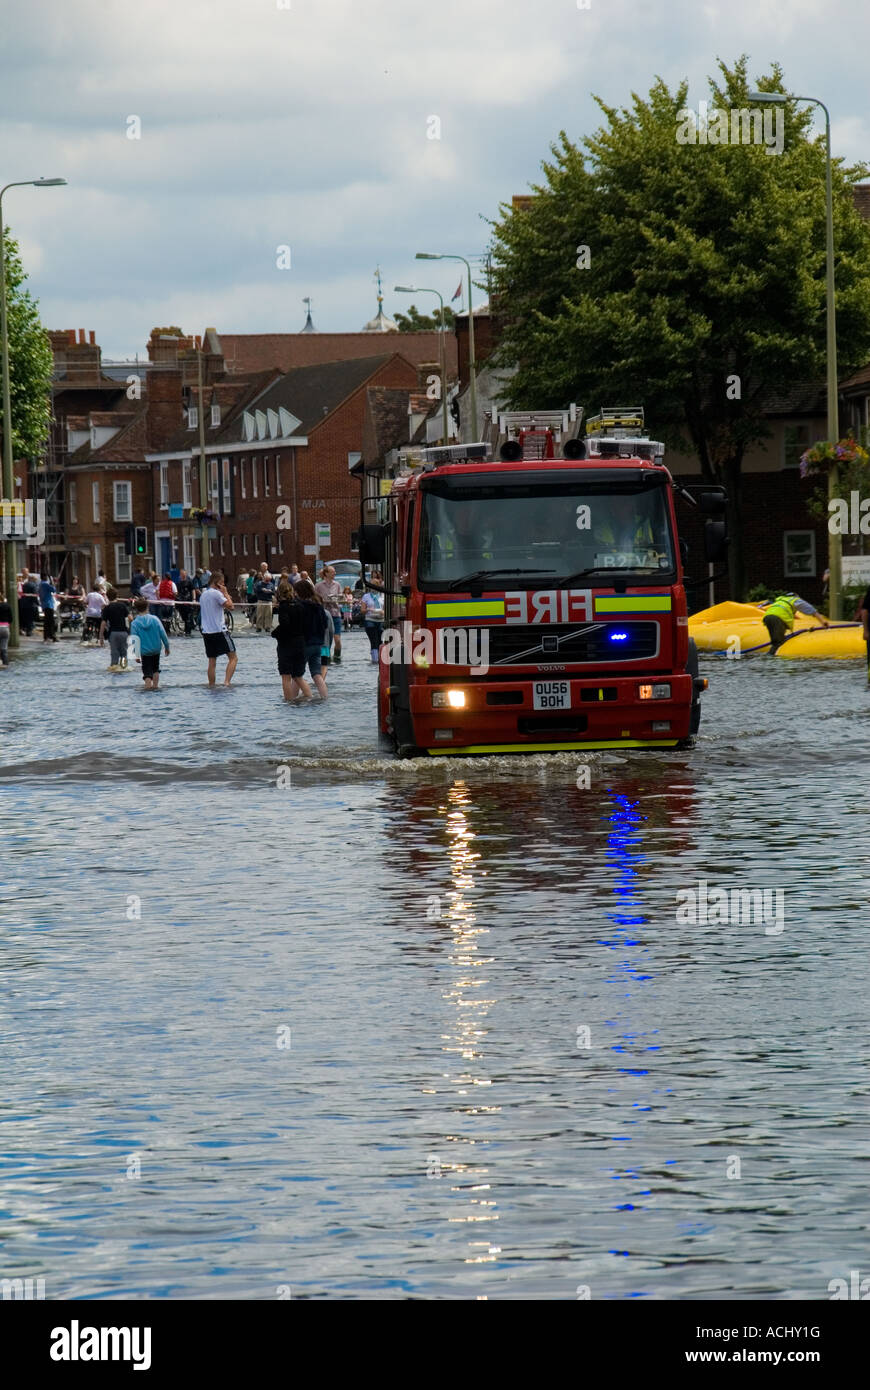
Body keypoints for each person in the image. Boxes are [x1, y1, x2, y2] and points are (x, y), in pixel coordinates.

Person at [272, 580, 311, 701]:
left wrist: (274, 633)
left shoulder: (284, 606)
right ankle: (311, 698)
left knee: (286, 676)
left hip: (287, 644)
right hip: (300, 643)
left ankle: (288, 702)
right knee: (298, 676)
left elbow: (285, 625)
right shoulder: (300, 605)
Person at [199, 569, 238, 686]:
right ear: (217, 582)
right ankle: (227, 682)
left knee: (212, 661)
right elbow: (231, 607)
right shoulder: (217, 594)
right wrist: (225, 593)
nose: (223, 585)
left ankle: (211, 684)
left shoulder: (203, 595)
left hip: (206, 632)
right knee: (233, 657)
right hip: (219, 630)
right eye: (222, 583)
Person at [295, 579, 329, 698]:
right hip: (318, 644)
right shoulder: (319, 607)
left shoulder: (300, 606)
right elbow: (325, 625)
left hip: (305, 644)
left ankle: (294, 700)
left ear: (300, 592)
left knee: (297, 674)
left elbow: (298, 626)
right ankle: (324, 697)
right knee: (317, 674)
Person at [762, 593, 828, 653]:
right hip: (777, 618)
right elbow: (811, 610)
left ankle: (771, 656)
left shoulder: (781, 600)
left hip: (768, 617)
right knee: (778, 642)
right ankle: (771, 659)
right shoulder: (795, 600)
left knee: (777, 640)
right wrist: (823, 621)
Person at [130, 596, 170, 689]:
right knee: (156, 669)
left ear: (137, 609)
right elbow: (163, 634)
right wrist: (167, 647)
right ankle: (155, 687)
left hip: (144, 652)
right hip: (156, 649)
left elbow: (134, 640)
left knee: (147, 673)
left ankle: (148, 689)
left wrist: (136, 655)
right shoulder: (155, 619)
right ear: (147, 607)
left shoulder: (135, 623)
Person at [315, 564, 344, 664]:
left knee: (337, 640)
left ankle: (337, 658)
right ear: (326, 573)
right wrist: (323, 600)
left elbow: (341, 598)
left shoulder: (337, 584)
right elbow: (315, 599)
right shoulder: (318, 586)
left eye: (334, 572)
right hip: (324, 614)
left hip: (336, 613)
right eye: (332, 572)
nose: (334, 573)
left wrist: (338, 598)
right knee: (326, 639)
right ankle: (327, 659)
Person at [99, 586, 131, 669]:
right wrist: (131, 631)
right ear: (117, 596)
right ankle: (124, 668)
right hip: (124, 633)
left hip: (113, 633)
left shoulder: (107, 608)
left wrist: (101, 637)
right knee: (124, 653)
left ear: (107, 597)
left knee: (114, 654)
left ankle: (114, 669)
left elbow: (103, 623)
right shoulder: (122, 606)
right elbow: (131, 618)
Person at [360, 580, 384, 664]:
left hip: (381, 619)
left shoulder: (382, 595)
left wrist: (383, 611)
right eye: (371, 585)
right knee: (373, 640)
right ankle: (375, 659)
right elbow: (362, 610)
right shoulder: (366, 596)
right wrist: (369, 609)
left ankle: (380, 658)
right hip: (370, 619)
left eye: (375, 585)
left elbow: (387, 608)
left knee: (380, 640)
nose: (373, 587)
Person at [253, 567, 276, 633]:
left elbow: (273, 592)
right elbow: (256, 590)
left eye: (269, 580)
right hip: (261, 600)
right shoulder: (259, 584)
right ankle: (259, 627)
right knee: (260, 615)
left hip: (269, 601)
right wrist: (262, 590)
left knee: (268, 615)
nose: (268, 581)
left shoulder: (271, 584)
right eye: (267, 580)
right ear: (264, 578)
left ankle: (267, 627)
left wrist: (269, 591)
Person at [38, 572, 59, 642]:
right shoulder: (45, 584)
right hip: (48, 604)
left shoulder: (40, 584)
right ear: (44, 577)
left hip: (44, 604)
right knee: (51, 621)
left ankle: (47, 636)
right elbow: (53, 590)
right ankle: (52, 636)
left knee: (47, 621)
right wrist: (53, 583)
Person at [176, 569, 196, 634]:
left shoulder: (189, 582)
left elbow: (193, 590)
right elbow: (177, 592)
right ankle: (186, 628)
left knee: (189, 617)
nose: (183, 575)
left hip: (188, 601)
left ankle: (188, 630)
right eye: (182, 574)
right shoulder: (178, 583)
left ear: (186, 574)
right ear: (180, 575)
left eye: (184, 574)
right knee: (184, 617)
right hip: (181, 602)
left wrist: (194, 599)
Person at [0, 589, 12, 666]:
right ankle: (6, 664)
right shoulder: (7, 606)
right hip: (5, 628)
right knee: (4, 648)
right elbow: (11, 618)